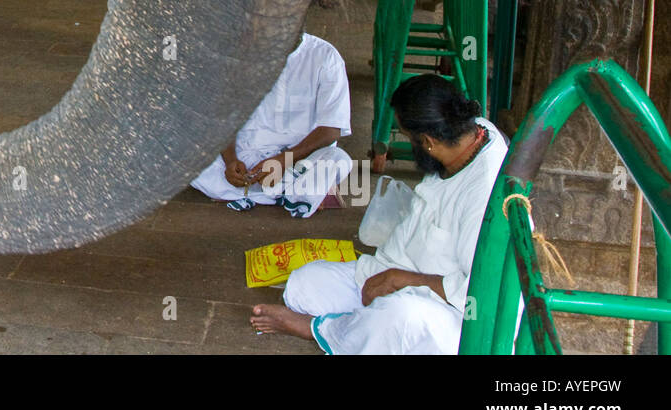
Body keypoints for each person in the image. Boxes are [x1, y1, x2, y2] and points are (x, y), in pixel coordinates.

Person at [251, 74, 508, 354]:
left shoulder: (484, 195)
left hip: (453, 316)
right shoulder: (472, 130)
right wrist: (393, 276)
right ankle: (356, 330)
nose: (409, 146)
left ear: (429, 142)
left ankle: (318, 329)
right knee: (304, 284)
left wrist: (404, 280)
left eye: (410, 139)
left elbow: (480, 291)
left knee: (398, 315)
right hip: (400, 273)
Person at [191, 31, 352, 218]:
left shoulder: (326, 57)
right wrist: (230, 160)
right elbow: (222, 117)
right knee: (186, 149)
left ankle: (255, 194)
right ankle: (296, 195)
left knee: (338, 160)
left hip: (298, 160)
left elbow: (330, 130)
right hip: (247, 159)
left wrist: (283, 160)